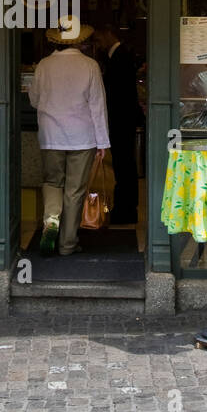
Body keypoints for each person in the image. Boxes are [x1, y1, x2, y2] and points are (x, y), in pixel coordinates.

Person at [28, 18, 110, 256]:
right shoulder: (90, 65)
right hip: (82, 137)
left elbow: (33, 99)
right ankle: (67, 244)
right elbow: (97, 105)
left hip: (50, 135)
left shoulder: (44, 64)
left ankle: (51, 220)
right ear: (82, 42)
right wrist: (102, 142)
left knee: (53, 182)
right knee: (74, 190)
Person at [92, 23, 143, 226]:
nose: (98, 43)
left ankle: (126, 210)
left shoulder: (121, 56)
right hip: (123, 118)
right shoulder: (117, 55)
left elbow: (118, 92)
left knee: (124, 165)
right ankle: (124, 209)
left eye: (99, 38)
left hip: (122, 119)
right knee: (123, 164)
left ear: (108, 33)